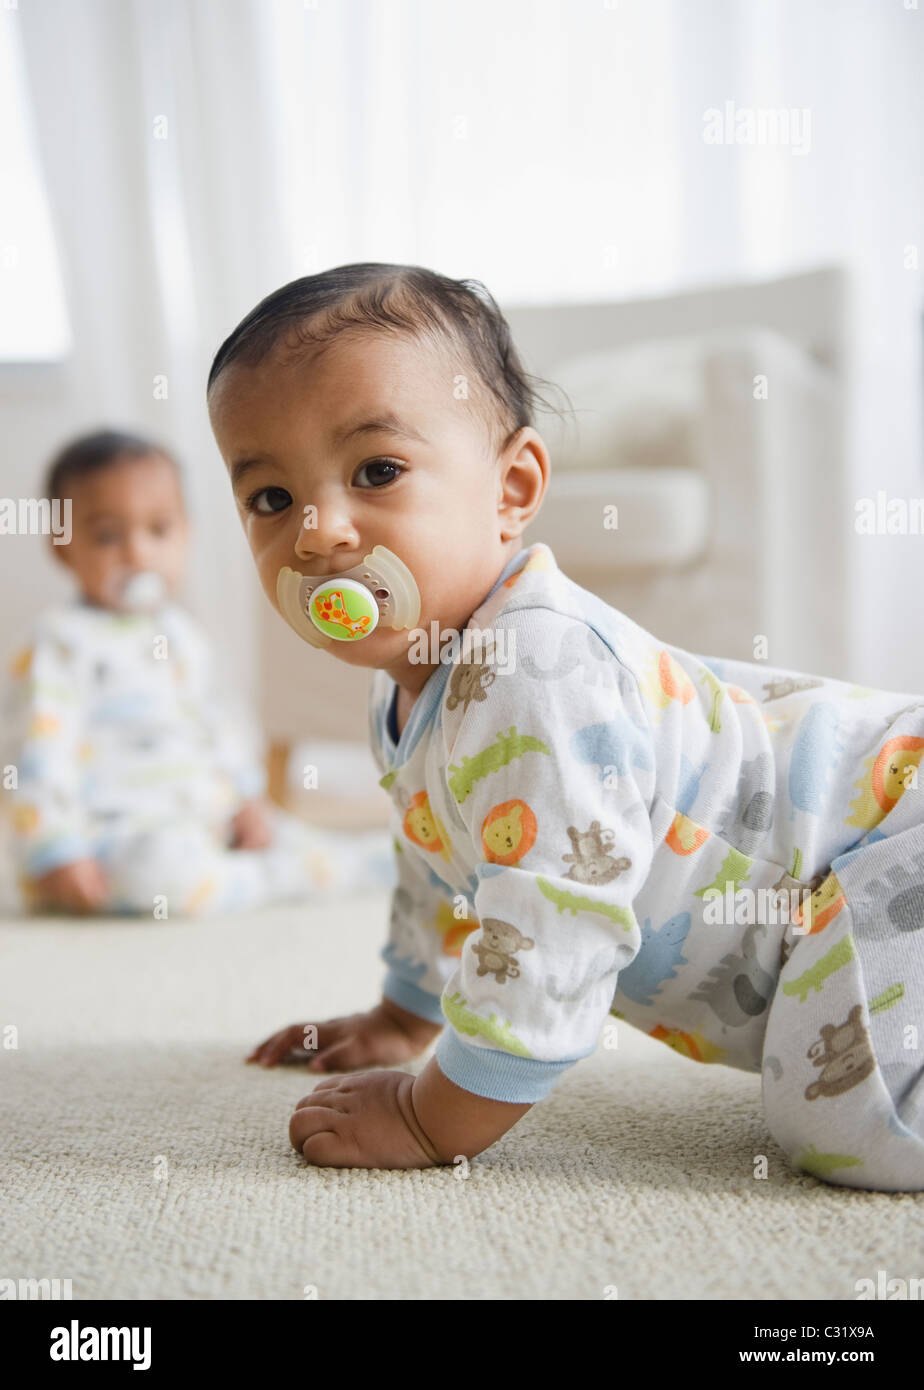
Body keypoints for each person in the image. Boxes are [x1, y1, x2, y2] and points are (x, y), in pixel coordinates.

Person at [206, 262, 924, 1189]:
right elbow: (443, 858)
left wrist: (436, 1118)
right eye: (271, 498)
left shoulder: (536, 670)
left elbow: (556, 918)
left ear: (511, 490)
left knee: (849, 1121)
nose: (317, 532)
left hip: (888, 840)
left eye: (376, 471)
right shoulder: (412, 690)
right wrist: (404, 1013)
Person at [6, 428, 393, 917]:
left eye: (158, 531)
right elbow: (39, 754)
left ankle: (367, 862)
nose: (137, 554)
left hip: (206, 819)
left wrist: (247, 800)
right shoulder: (58, 643)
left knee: (287, 833)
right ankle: (267, 879)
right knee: (159, 874)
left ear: (186, 533)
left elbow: (218, 725)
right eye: (107, 536)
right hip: (114, 839)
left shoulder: (183, 637)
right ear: (63, 547)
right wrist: (54, 849)